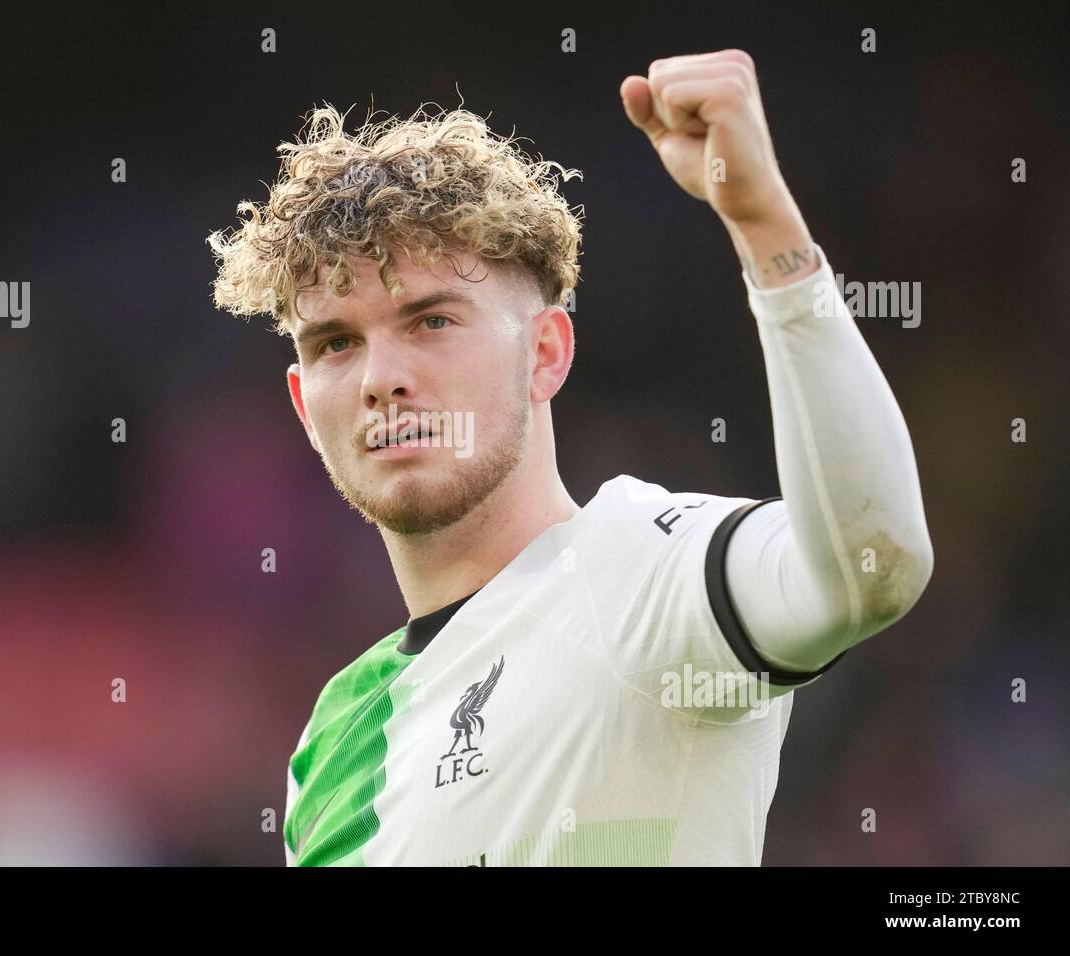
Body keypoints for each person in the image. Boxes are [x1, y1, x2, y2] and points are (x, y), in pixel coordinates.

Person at [207, 49, 934, 866]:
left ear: (546, 354)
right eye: (337, 342)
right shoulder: (334, 738)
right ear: (306, 408)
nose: (382, 379)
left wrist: (767, 225)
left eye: (432, 322)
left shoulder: (640, 570)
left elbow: (871, 567)